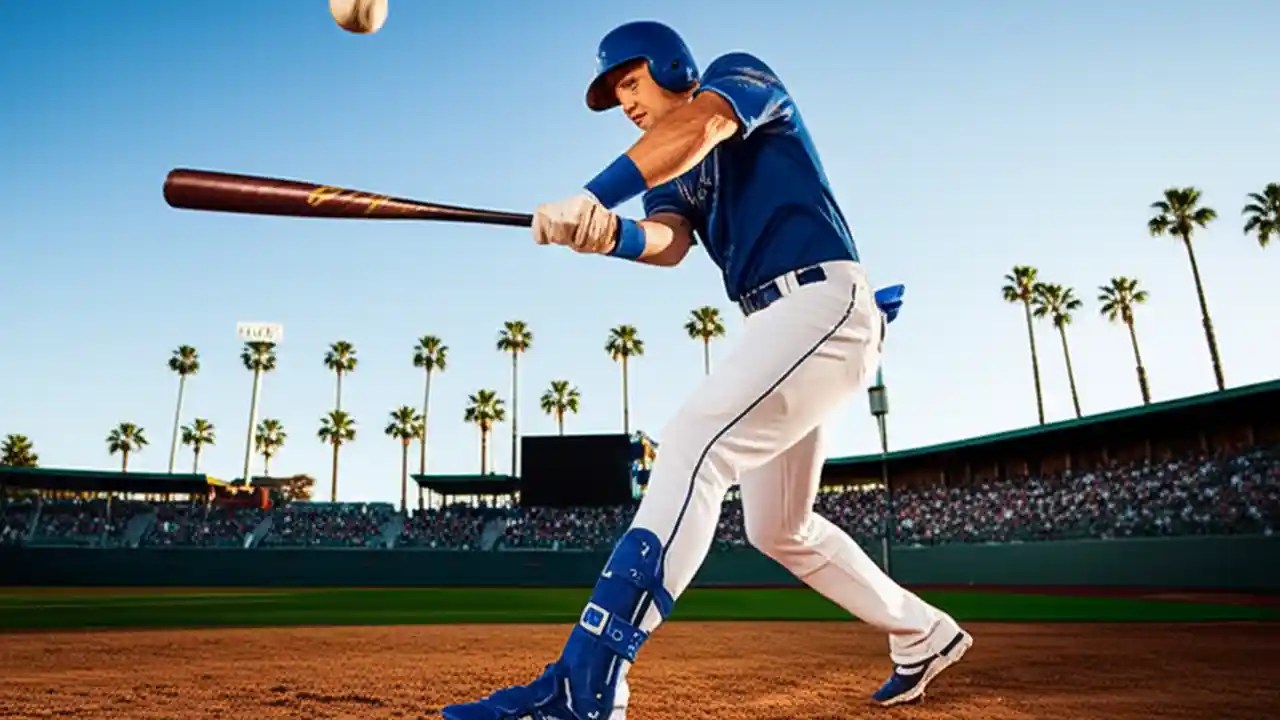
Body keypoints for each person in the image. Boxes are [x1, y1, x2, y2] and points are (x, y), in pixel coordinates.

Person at [442, 20, 970, 720]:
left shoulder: (736, 80)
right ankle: (922, 632)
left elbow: (700, 129)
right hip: (780, 323)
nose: (625, 101)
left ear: (669, 64)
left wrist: (596, 192)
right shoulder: (677, 168)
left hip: (821, 301)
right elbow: (668, 241)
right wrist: (604, 235)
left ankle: (587, 679)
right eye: (615, 94)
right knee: (780, 528)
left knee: (695, 446)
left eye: (631, 82)